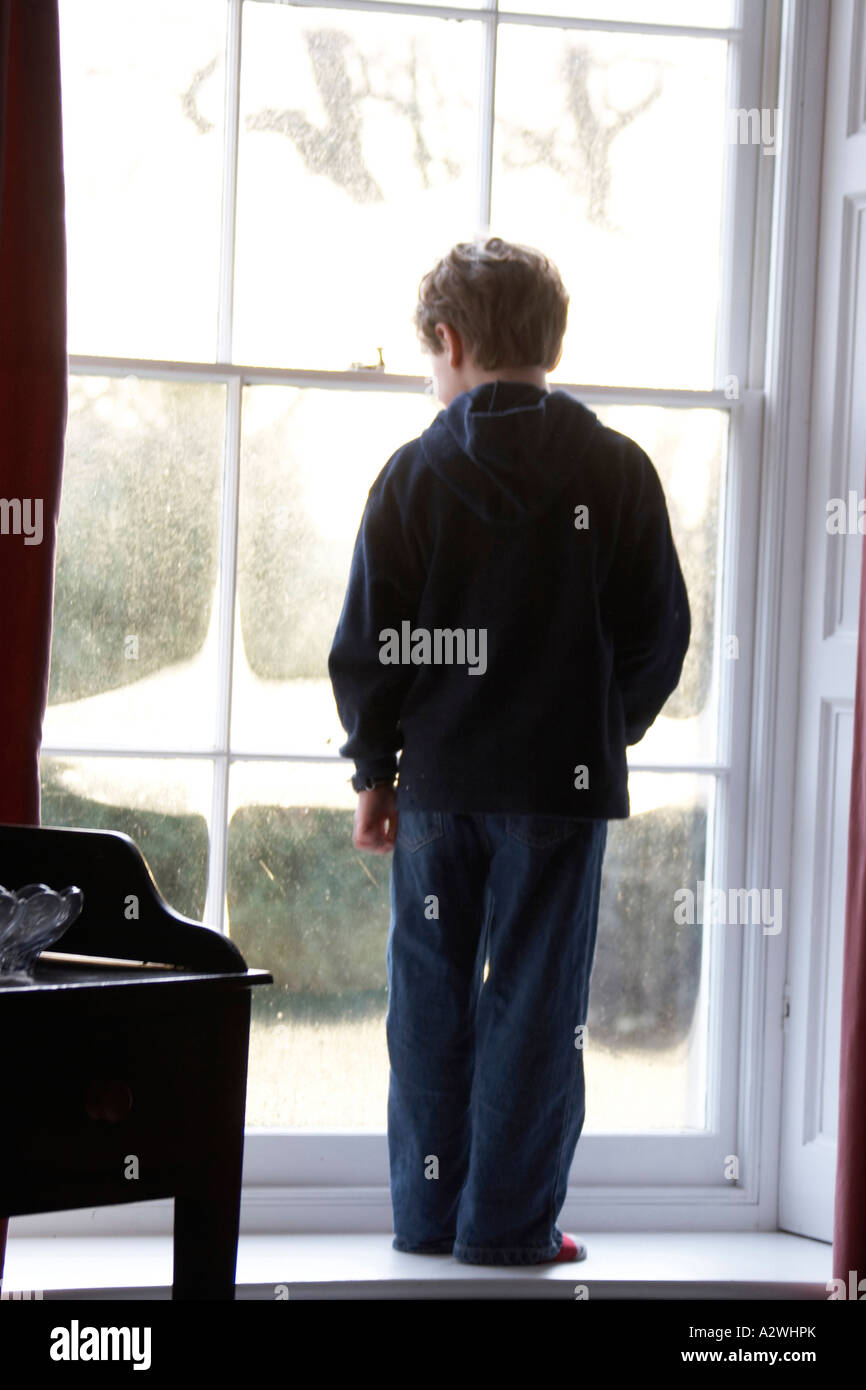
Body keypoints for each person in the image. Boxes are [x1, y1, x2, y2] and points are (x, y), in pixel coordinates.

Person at [328, 235, 690, 1266]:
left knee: (430, 999)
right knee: (535, 1004)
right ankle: (507, 1229)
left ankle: (426, 1216)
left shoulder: (414, 473)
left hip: (437, 788)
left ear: (448, 340)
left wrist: (373, 771)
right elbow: (657, 634)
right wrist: (593, 728)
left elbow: (371, 642)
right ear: (550, 340)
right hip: (556, 791)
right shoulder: (613, 469)